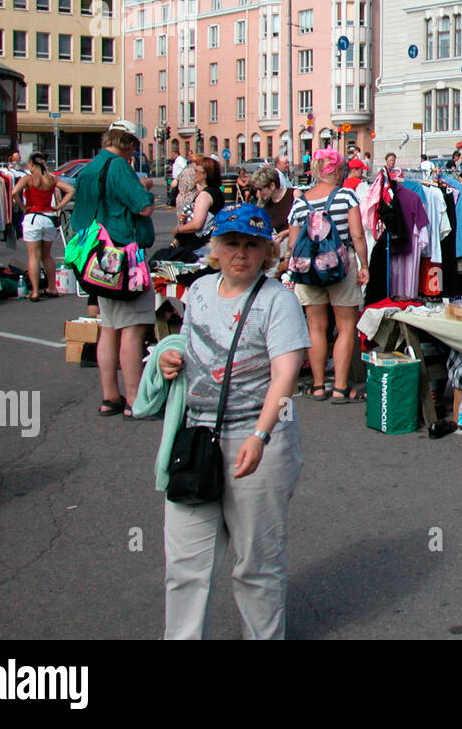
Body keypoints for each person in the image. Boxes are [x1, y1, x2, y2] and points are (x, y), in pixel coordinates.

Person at [156, 204, 310, 639]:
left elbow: (285, 375)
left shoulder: (277, 300)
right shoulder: (200, 290)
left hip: (257, 441)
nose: (240, 253)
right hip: (197, 439)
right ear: (215, 249)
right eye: (230, 243)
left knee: (256, 563)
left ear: (266, 252)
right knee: (185, 566)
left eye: (251, 244)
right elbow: (190, 345)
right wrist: (171, 359)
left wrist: (260, 435)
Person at [71, 121, 156, 418]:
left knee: (108, 328)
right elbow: (142, 207)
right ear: (126, 142)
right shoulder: (119, 167)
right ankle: (134, 399)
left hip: (96, 258)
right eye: (133, 145)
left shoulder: (90, 167)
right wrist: (144, 188)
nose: (134, 152)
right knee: (132, 330)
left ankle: (110, 396)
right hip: (122, 258)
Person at [287, 147, 369, 402]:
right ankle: (340, 387)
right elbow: (357, 235)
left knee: (316, 327)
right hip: (340, 268)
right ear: (337, 170)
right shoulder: (346, 196)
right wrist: (363, 264)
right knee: (345, 327)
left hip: (309, 271)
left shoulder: (299, 202)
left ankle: (319, 384)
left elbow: (292, 245)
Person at [11, 153, 74, 300]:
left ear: (32, 164)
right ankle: (52, 287)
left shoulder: (28, 179)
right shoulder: (51, 179)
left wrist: (22, 207)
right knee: (47, 255)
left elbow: (14, 192)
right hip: (49, 217)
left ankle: (34, 292)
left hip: (33, 217)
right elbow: (71, 190)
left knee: (34, 256)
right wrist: (59, 206)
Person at [173, 157, 225, 252]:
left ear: (205, 174)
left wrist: (178, 230)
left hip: (197, 245)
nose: (194, 174)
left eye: (196, 171)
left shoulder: (205, 195)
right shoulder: (215, 191)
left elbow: (197, 224)